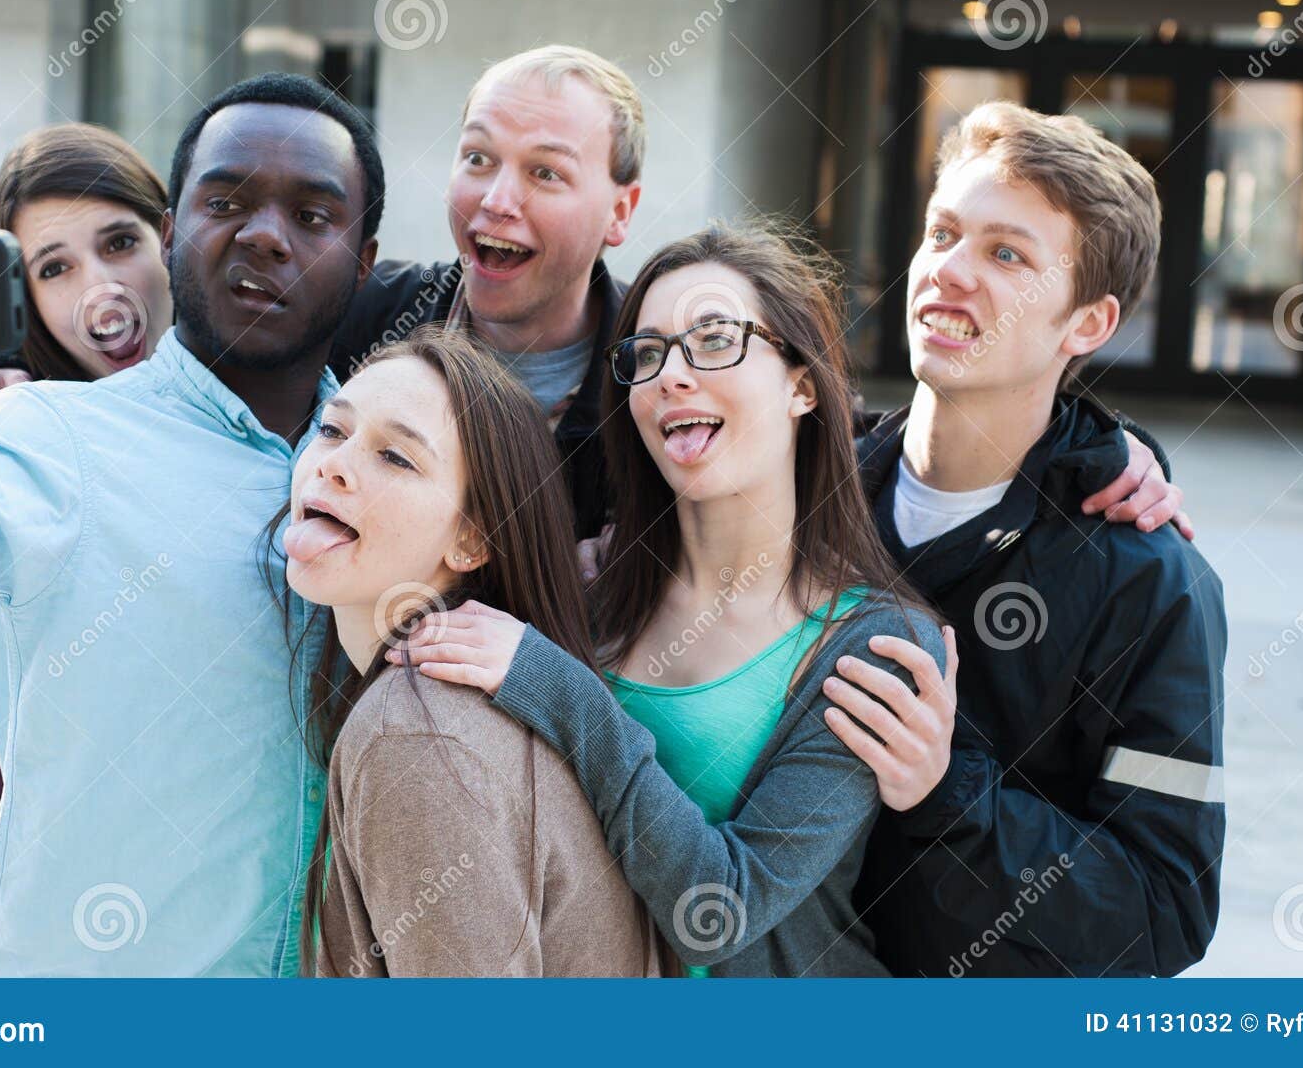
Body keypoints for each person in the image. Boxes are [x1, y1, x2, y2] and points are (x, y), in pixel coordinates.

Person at [0, 46, 1183, 540]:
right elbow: (184, 319)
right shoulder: (372, 316)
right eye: (478, 158)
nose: (497, 200)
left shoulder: (667, 366)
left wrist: (1094, 442)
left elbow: (845, 439)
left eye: (545, 173)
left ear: (619, 210)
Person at [0, 72, 382, 975]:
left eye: (314, 214)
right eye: (225, 201)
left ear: (365, 261)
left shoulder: (390, 471)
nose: (262, 233)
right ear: (175, 231)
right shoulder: (45, 437)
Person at [390, 224, 946, 976]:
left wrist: (553, 685)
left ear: (802, 384)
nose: (671, 376)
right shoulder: (588, 598)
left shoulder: (876, 648)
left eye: (714, 340)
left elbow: (718, 912)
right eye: (646, 354)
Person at [830, 101, 1227, 976]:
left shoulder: (1151, 581)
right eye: (942, 233)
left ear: (1088, 323)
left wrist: (948, 790)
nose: (950, 271)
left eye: (1006, 254)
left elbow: (1164, 910)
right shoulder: (802, 498)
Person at [280, 327, 660, 976]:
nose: (332, 463)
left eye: (395, 457)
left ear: (472, 541)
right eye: (332, 429)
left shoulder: (415, 735)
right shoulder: (439, 711)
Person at [0, 122, 173, 978]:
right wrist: (69, 625)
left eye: (120, 243)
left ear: (172, 238)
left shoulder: (275, 410)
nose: (101, 290)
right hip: (19, 923)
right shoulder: (20, 446)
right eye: (55, 268)